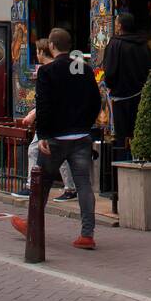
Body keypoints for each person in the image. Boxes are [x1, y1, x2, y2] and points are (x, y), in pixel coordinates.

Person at [10, 27, 101, 250]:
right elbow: (96, 102)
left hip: (56, 138)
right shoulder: (84, 70)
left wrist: (43, 134)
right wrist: (85, 124)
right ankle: (87, 234)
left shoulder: (47, 72)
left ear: (51, 45)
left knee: (42, 183)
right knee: (84, 185)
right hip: (81, 135)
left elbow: (44, 106)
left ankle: (32, 225)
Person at [11, 39, 76, 201]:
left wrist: (34, 114)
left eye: (37, 52)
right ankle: (66, 187)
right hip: (59, 119)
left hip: (51, 121)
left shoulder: (47, 71)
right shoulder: (62, 68)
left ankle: (36, 187)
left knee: (43, 151)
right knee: (50, 152)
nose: (36, 55)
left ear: (42, 52)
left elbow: (47, 99)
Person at [102, 12, 151, 148]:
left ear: (119, 25)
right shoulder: (143, 45)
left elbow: (109, 72)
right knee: (139, 132)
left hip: (121, 97)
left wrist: (111, 86)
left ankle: (123, 161)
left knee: (122, 135)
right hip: (141, 96)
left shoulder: (115, 44)